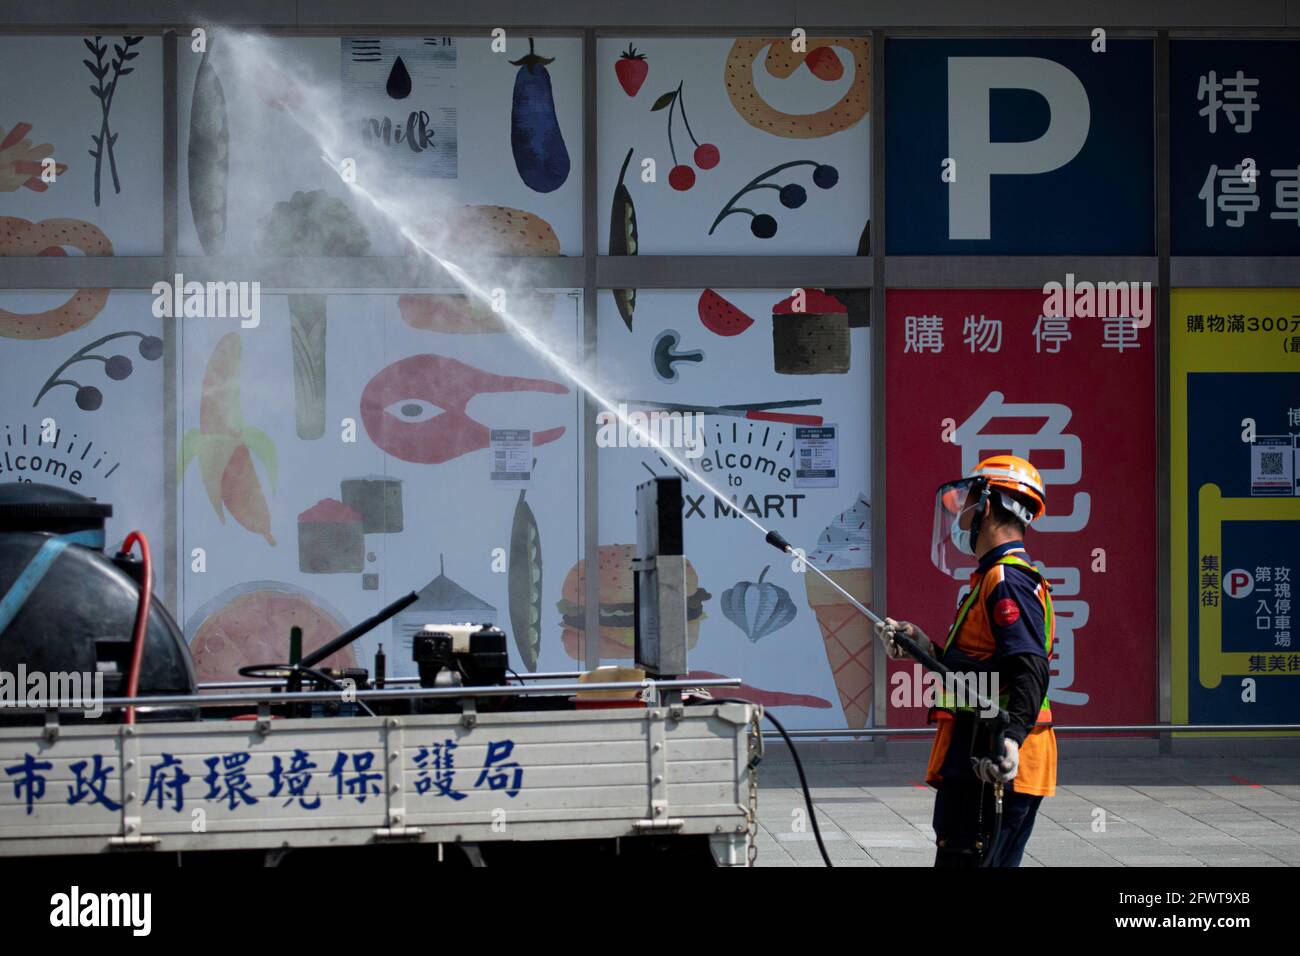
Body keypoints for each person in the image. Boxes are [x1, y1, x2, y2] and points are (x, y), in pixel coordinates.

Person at [875, 455, 1056, 867]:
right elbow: (984, 673)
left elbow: (1030, 668)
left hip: (994, 760)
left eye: (968, 502)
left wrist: (1010, 741)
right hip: (979, 754)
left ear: (987, 505)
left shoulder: (1007, 580)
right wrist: (923, 647)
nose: (961, 517)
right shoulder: (993, 578)